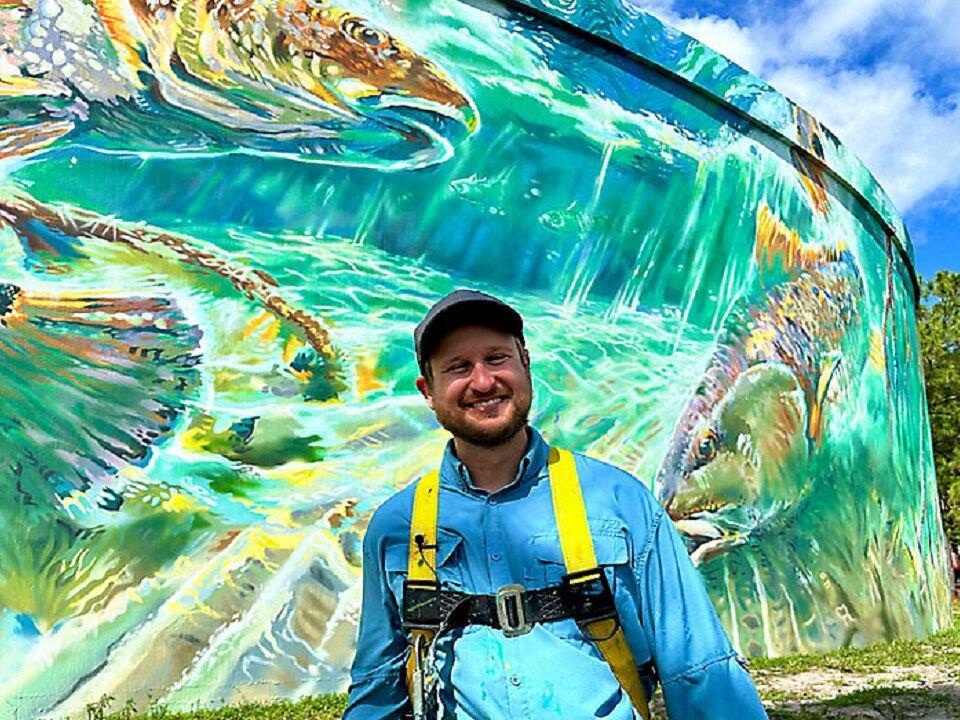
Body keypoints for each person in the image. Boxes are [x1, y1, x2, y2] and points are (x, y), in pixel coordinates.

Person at [345, 289, 768, 719]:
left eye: (497, 359)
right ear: (427, 390)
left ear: (525, 362)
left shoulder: (619, 501)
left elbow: (698, 668)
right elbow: (378, 691)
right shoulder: (396, 527)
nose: (483, 381)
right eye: (458, 367)